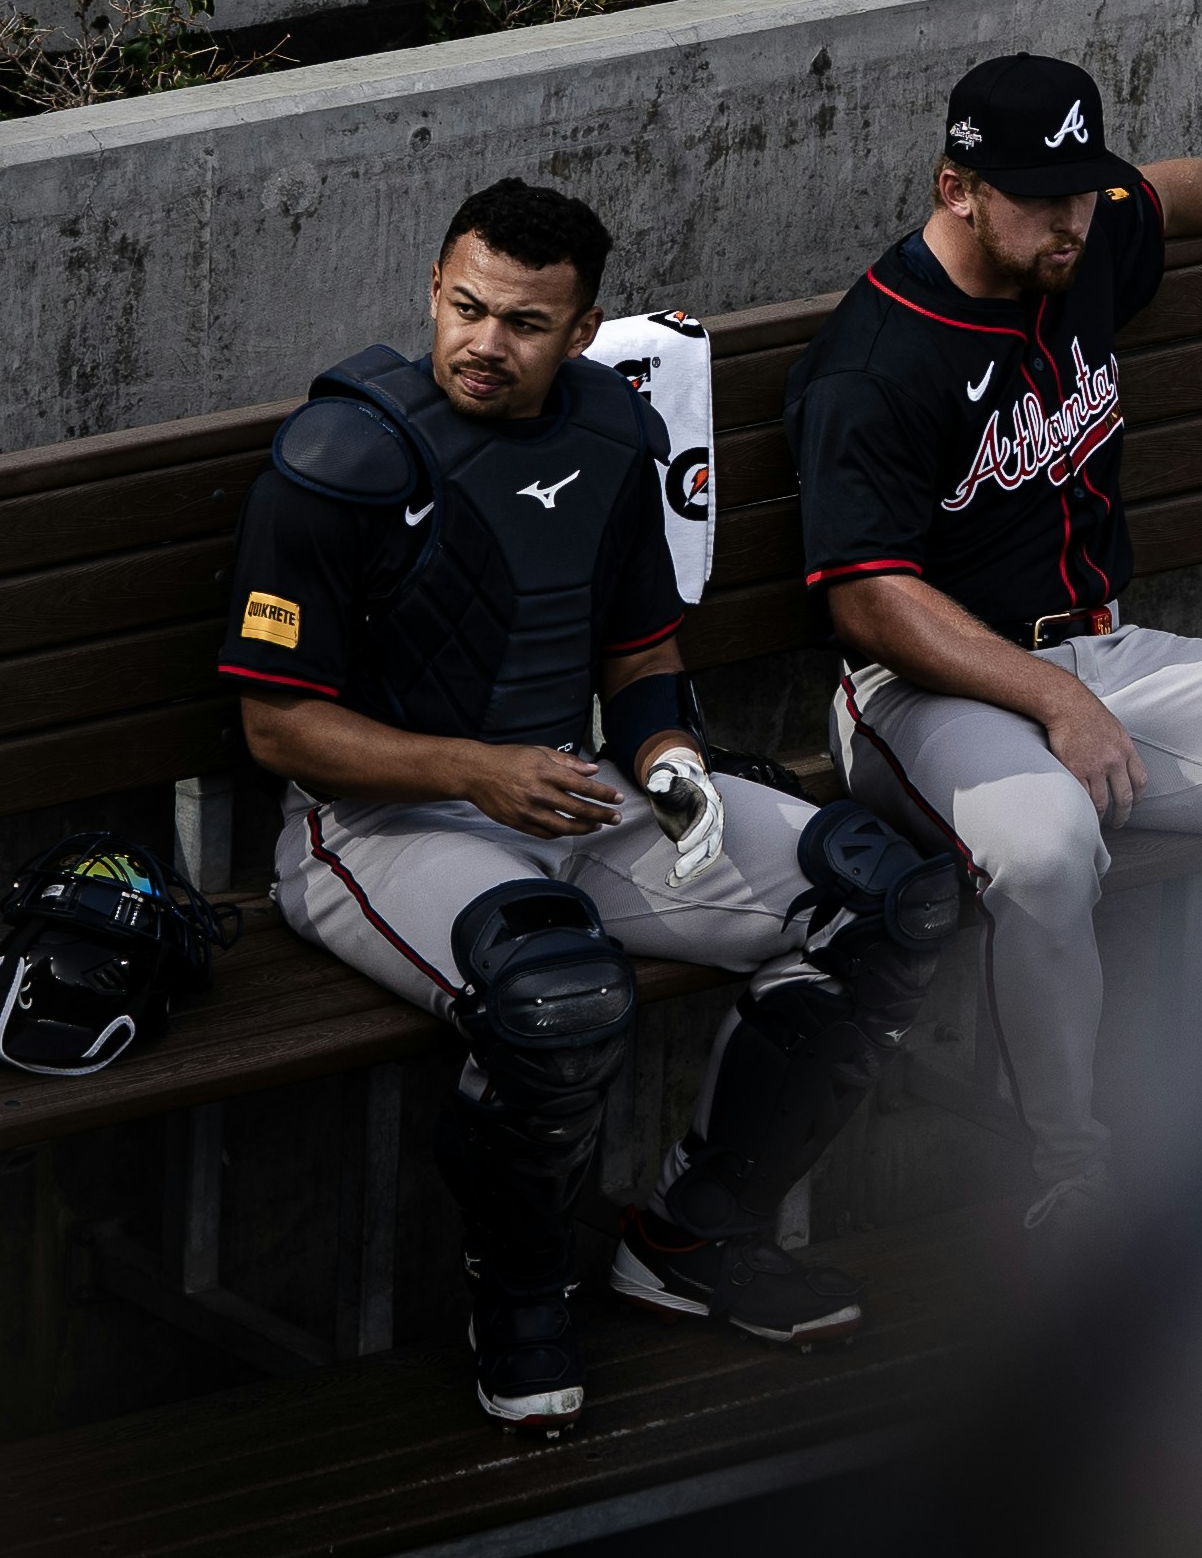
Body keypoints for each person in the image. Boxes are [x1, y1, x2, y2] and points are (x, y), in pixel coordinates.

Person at [224, 180, 964, 1435]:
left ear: (583, 329)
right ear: (433, 289)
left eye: (524, 322)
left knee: (881, 898)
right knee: (555, 993)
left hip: (566, 786)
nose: (484, 343)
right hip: (375, 823)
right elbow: (278, 727)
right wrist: (474, 769)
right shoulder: (338, 457)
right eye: (466, 307)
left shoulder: (616, 431)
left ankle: (689, 1239)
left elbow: (636, 653)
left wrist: (669, 756)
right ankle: (518, 1303)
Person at [787, 55, 1202, 1234]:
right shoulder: (874, 360)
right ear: (957, 188)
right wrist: (1052, 697)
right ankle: (1074, 1173)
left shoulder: (1081, 239)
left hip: (1107, 655)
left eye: (1079, 191)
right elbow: (869, 601)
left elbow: (1169, 189)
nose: (1072, 219)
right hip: (922, 693)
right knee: (1046, 855)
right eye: (1040, 197)